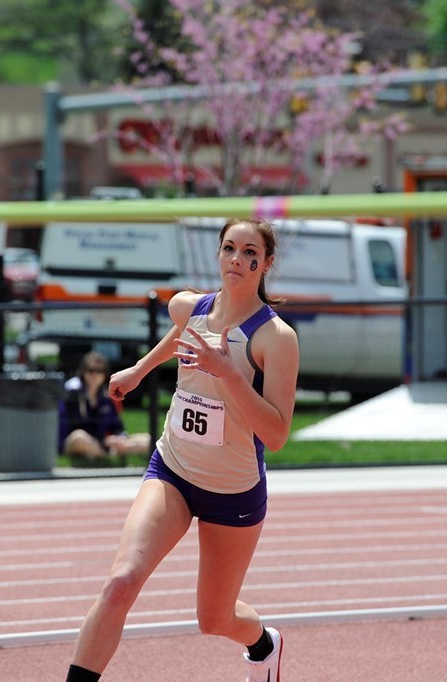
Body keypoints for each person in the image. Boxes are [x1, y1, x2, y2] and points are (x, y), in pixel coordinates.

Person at [64, 218, 299, 682]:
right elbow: (184, 334)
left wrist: (227, 371)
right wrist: (139, 368)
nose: (237, 259)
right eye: (229, 248)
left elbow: (275, 433)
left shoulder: (276, 339)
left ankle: (264, 643)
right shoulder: (188, 307)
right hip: (172, 468)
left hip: (233, 490)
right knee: (120, 583)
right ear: (218, 254)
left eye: (250, 252)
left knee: (214, 619)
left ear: (266, 263)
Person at [58, 351, 151, 460]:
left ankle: (105, 454)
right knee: (79, 437)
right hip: (75, 441)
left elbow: (118, 427)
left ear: (104, 374)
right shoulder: (72, 393)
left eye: (99, 371)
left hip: (103, 442)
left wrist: (119, 438)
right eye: (91, 370)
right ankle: (108, 457)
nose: (94, 375)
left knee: (148, 439)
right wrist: (104, 439)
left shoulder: (106, 397)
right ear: (83, 372)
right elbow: (74, 429)